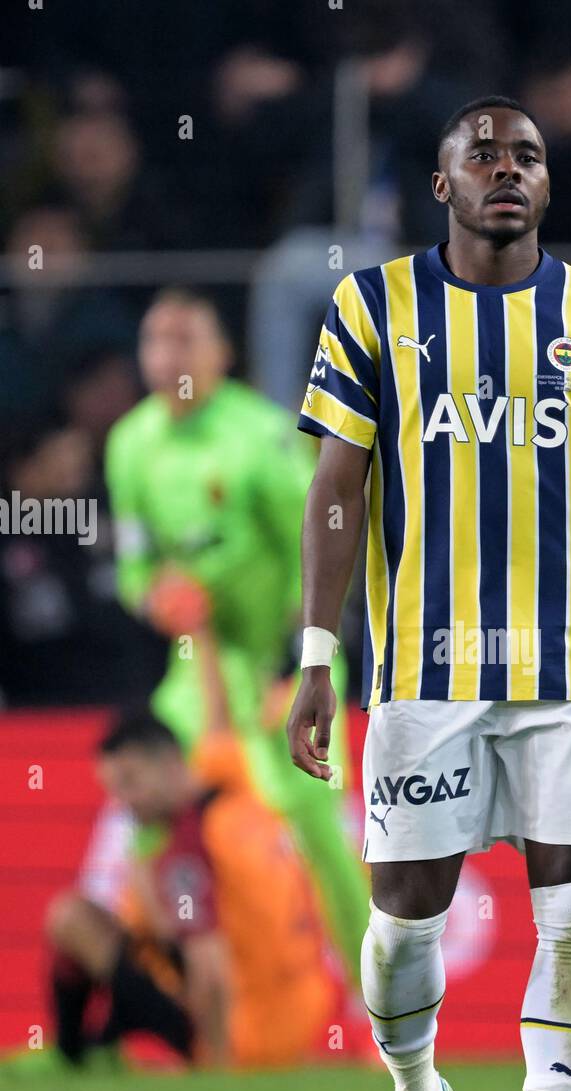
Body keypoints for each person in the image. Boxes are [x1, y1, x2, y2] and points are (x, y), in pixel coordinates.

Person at [287, 96, 571, 1091]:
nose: (509, 170)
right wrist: (321, 657)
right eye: (483, 156)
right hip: (423, 678)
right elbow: (337, 490)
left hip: (570, 680)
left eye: (530, 157)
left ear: (548, 188)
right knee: (406, 925)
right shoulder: (375, 307)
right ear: (443, 184)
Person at [104, 287, 370, 976]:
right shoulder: (130, 444)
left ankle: (384, 1014)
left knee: (315, 826)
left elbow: (320, 549)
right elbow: (134, 568)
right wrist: (154, 597)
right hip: (201, 669)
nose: (169, 357)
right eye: (156, 341)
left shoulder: (263, 437)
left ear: (222, 352)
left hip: (288, 660)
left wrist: (293, 661)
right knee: (140, 797)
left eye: (186, 339)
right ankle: (145, 1005)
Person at [45, 627, 337, 1070]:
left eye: (130, 784)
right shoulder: (229, 782)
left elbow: (208, 962)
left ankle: (74, 1058)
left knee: (71, 918)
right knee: (139, 911)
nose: (124, 802)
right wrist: (204, 633)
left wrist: (215, 1063)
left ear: (168, 765)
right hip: (298, 1011)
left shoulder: (188, 846)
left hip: (245, 1032)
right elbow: (219, 719)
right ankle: (98, 1048)